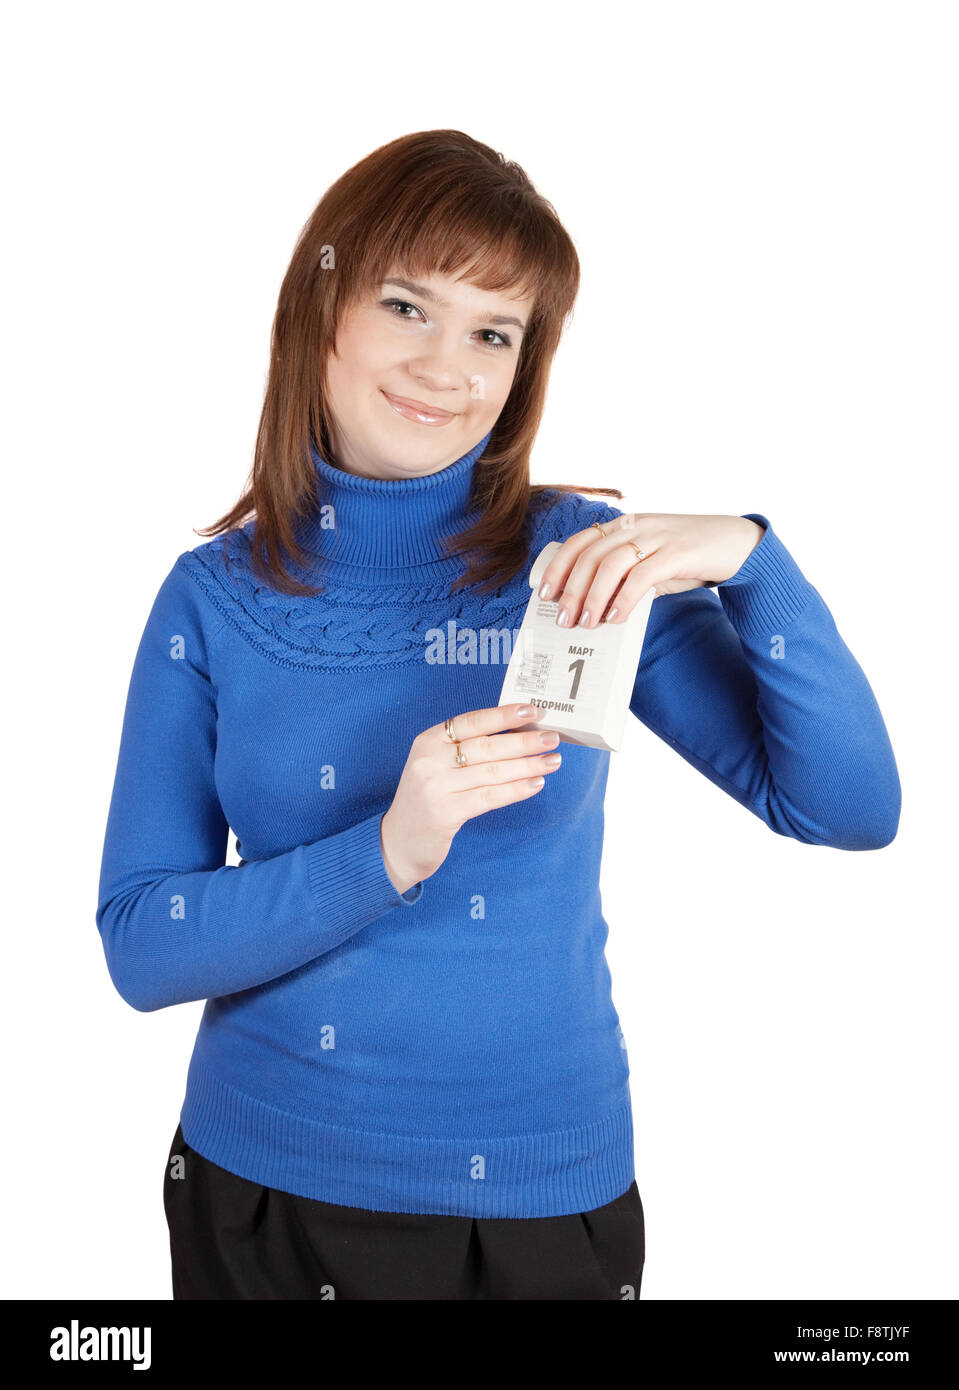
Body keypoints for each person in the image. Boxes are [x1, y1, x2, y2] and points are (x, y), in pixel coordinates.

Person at [95, 129, 901, 1301]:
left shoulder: (580, 564)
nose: (446, 365)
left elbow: (846, 810)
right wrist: (383, 853)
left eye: (493, 330)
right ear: (318, 311)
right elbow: (140, 942)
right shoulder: (210, 598)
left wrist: (751, 562)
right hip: (263, 1199)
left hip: (540, 1205)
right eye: (407, 306)